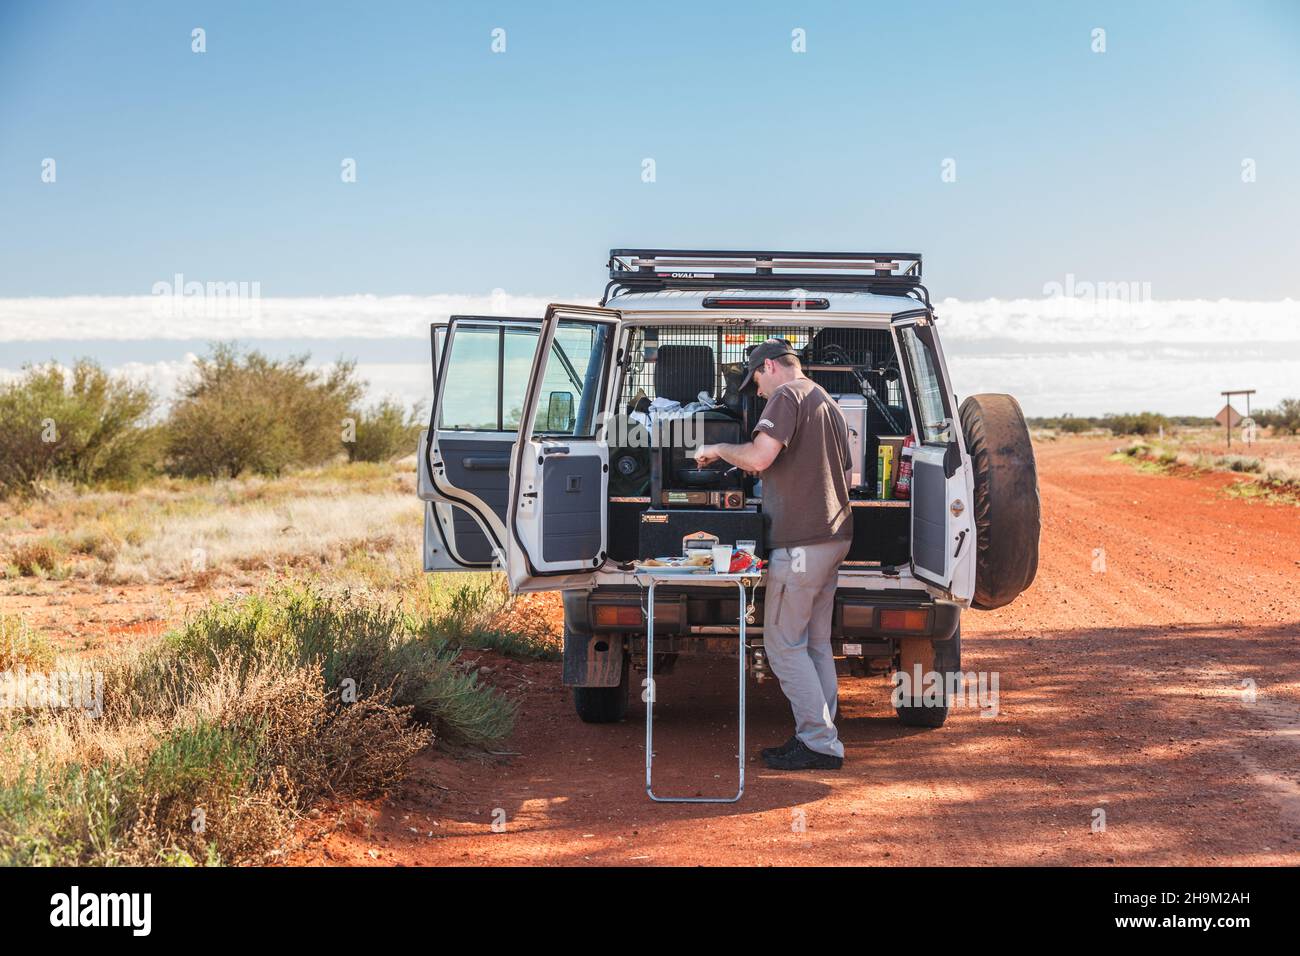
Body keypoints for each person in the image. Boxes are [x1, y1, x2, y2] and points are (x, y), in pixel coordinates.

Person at [692, 338, 854, 770]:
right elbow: (848, 473)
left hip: (801, 545)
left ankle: (818, 742)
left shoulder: (785, 396)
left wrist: (718, 449)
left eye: (755, 382)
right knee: (816, 643)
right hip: (834, 537)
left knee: (783, 645)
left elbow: (760, 458)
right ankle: (821, 734)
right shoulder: (826, 401)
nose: (757, 393)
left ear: (770, 368)